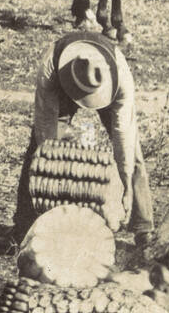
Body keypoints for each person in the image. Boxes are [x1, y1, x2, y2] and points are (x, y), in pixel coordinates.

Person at [13, 31, 154, 247]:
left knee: (133, 153)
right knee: (38, 155)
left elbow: (124, 137)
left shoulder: (121, 78)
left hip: (107, 87)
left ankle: (143, 226)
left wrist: (126, 185)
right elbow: (45, 131)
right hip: (61, 87)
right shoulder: (51, 67)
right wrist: (48, 170)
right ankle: (25, 225)